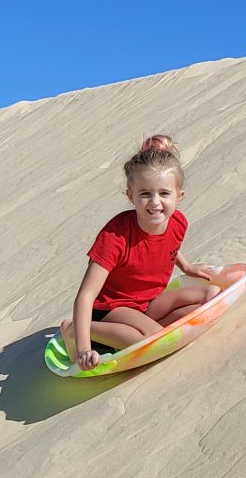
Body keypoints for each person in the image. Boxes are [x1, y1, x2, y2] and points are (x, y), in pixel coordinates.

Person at [61, 135, 216, 371]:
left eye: (164, 193)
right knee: (151, 340)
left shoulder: (178, 222)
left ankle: (143, 328)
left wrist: (186, 267)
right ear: (130, 196)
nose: (155, 203)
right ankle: (76, 330)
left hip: (148, 302)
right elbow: (85, 296)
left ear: (179, 196)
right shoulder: (115, 236)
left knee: (211, 294)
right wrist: (83, 348)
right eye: (145, 194)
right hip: (110, 308)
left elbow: (168, 245)